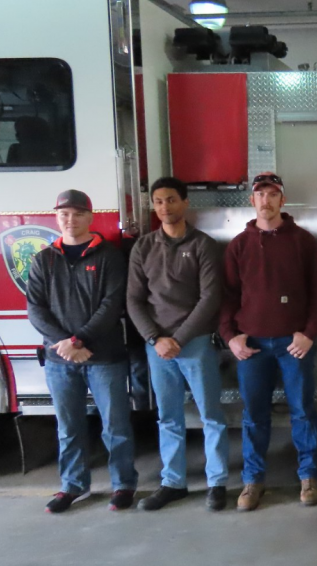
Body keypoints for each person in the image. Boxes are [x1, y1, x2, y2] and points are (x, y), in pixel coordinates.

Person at [219, 172, 317, 511]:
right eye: (260, 195)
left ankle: (308, 477)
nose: (266, 201)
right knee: (254, 416)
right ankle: (253, 481)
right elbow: (226, 296)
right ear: (251, 201)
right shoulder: (239, 245)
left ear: (282, 200)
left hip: (293, 345)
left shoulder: (303, 241)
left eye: (272, 194)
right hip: (251, 347)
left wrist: (309, 333)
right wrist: (230, 337)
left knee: (303, 412)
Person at [25, 189, 137, 513]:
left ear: (89, 217)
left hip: (104, 358)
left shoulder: (109, 257)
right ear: (56, 217)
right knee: (68, 426)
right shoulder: (43, 259)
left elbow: (112, 304)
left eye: (77, 214)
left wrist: (79, 340)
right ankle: (72, 486)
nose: (70, 220)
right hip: (60, 360)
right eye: (64, 214)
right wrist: (65, 344)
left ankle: (124, 484)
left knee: (115, 425)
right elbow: (36, 309)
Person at [127, 177, 229, 512]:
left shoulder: (203, 245)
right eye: (158, 201)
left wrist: (179, 339)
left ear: (185, 203)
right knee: (168, 417)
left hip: (196, 343)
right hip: (157, 348)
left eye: (171, 200)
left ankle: (217, 483)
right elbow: (134, 300)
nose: (164, 207)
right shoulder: (143, 247)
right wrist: (156, 339)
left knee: (210, 415)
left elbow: (210, 297)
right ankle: (173, 482)